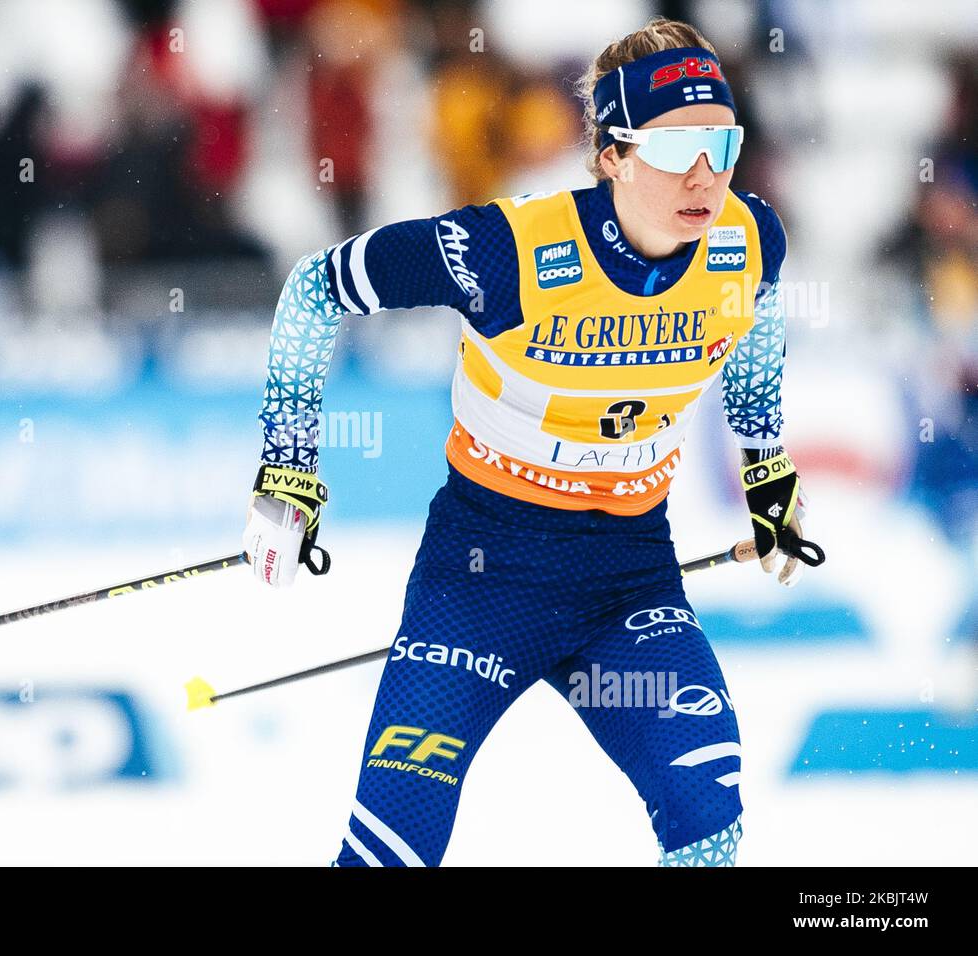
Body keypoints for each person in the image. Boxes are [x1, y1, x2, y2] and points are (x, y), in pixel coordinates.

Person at [241, 17, 824, 867]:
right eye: (673, 148)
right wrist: (287, 470)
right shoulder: (507, 250)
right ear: (613, 155)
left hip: (629, 583)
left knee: (709, 823)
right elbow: (313, 289)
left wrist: (767, 471)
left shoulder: (749, 238)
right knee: (390, 853)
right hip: (480, 581)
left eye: (721, 140)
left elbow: (756, 326)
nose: (706, 173)